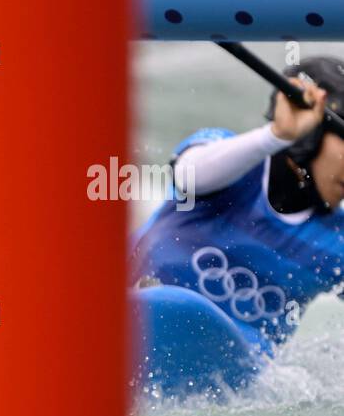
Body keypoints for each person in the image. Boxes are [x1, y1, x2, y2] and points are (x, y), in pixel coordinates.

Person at [131, 56, 344, 349]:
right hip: (124, 306)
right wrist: (277, 136)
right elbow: (188, 177)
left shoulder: (337, 242)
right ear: (311, 134)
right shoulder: (230, 162)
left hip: (234, 377)